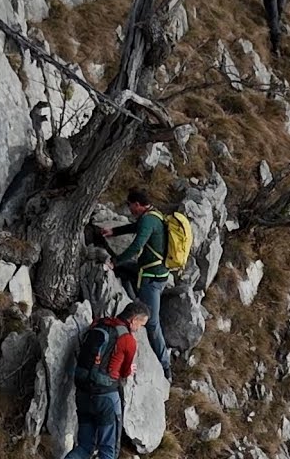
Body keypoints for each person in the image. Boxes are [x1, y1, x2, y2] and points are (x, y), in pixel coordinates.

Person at [101, 189, 172, 379]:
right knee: (123, 272)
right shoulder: (152, 215)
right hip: (147, 271)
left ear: (138, 204)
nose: (129, 208)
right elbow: (136, 228)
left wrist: (115, 261)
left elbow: (136, 246)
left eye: (130, 205)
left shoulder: (148, 220)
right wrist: (114, 231)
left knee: (153, 323)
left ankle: (165, 366)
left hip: (152, 277)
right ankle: (133, 297)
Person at [65, 301, 149, 459]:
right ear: (134, 320)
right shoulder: (128, 340)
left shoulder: (99, 324)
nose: (139, 329)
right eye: (141, 324)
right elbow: (124, 373)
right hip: (106, 399)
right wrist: (129, 370)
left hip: (83, 393)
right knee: (108, 451)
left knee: (84, 447)